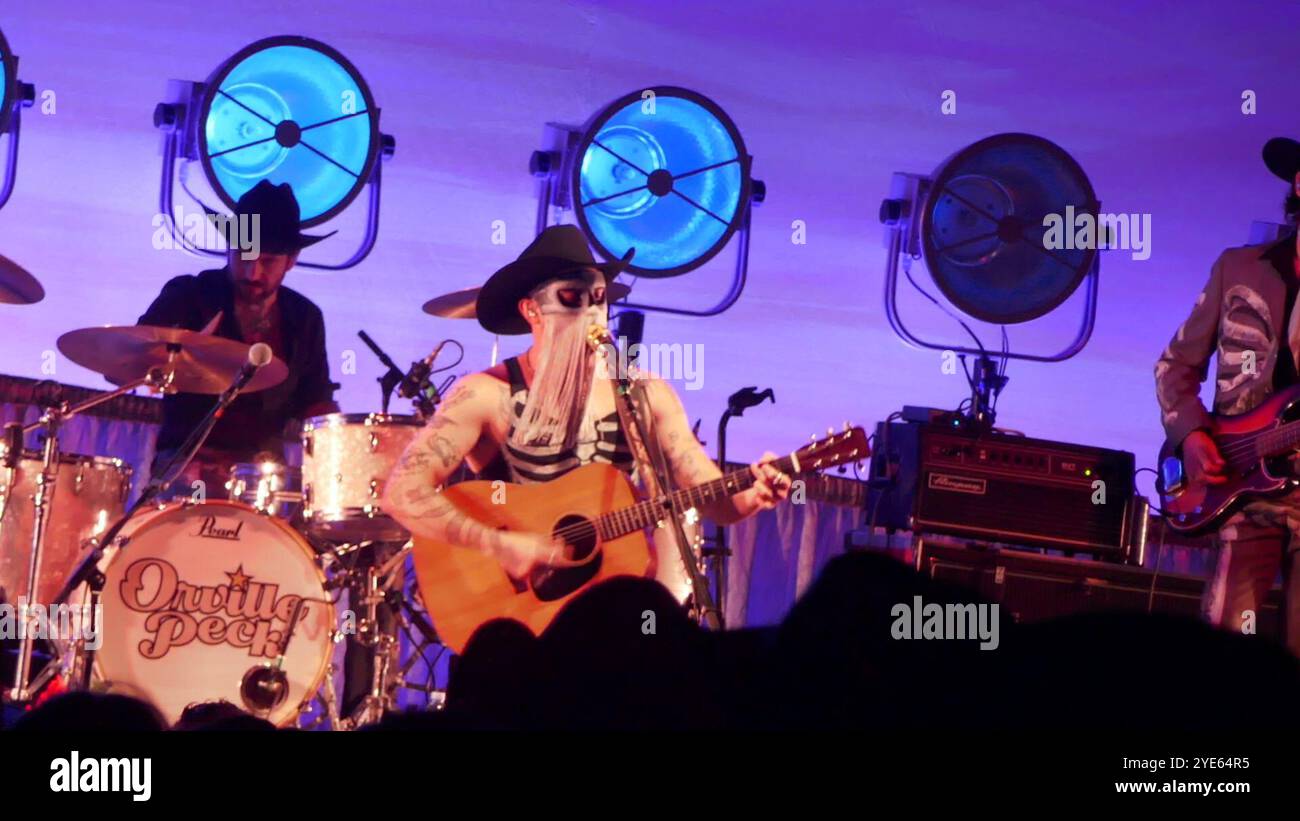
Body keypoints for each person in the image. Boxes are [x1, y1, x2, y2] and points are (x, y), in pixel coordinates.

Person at [383, 224, 790, 595]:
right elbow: (402, 493)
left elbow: (713, 498)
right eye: (571, 299)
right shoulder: (487, 394)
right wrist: (502, 543)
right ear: (532, 310)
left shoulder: (645, 393)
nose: (592, 313)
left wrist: (753, 495)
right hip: (517, 607)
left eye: (598, 299)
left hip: (612, 604)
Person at [1154, 136, 1300, 654]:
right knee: (1221, 656)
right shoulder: (1237, 269)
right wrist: (1192, 437)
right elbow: (1176, 364)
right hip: (1239, 484)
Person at [137, 181, 339, 491]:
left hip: (262, 475)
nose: (252, 273)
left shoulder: (305, 318)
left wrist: (345, 439)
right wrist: (166, 359)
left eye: (267, 261)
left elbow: (316, 403)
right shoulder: (188, 295)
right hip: (184, 467)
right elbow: (133, 358)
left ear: (292, 259)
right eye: (244, 255)